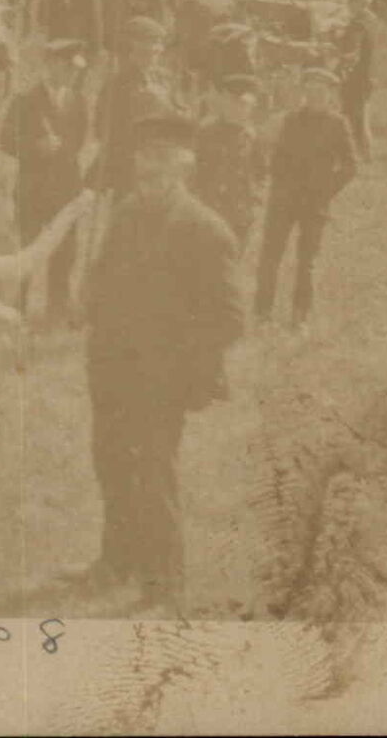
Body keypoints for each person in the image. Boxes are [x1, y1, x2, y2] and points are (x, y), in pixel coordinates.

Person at [76, 107, 245, 613]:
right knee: (109, 462)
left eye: (162, 163)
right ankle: (117, 561)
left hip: (160, 378)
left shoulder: (206, 230)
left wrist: (175, 359)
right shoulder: (126, 211)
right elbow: (105, 273)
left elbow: (230, 319)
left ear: (184, 169)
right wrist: (88, 300)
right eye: (143, 161)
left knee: (153, 471)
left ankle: (165, 578)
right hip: (109, 366)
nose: (148, 172)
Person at [254, 67, 358, 328]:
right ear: (303, 93)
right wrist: (275, 176)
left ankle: (300, 317)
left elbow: (350, 165)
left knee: (307, 261)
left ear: (331, 95)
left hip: (314, 203)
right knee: (270, 257)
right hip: (283, 198)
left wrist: (326, 189)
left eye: (321, 92)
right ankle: (261, 314)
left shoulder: (338, 124)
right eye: (310, 91)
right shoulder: (287, 119)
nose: (315, 97)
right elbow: (266, 151)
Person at [4, 40, 91, 322]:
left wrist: (62, 151)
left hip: (65, 187)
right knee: (27, 249)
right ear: (52, 65)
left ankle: (57, 309)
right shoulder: (25, 101)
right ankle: (16, 311)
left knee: (66, 250)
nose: (72, 74)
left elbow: (79, 139)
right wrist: (35, 148)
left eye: (76, 70)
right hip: (33, 188)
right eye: (67, 67)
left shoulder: (77, 100)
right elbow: (6, 141)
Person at [94, 16, 179, 193]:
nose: (152, 59)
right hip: (129, 167)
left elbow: (178, 115)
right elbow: (102, 130)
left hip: (162, 163)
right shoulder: (117, 85)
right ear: (130, 52)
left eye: (156, 53)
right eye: (146, 53)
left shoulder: (164, 79)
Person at [193, 72, 269, 261]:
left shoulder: (253, 136)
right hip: (210, 207)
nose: (237, 109)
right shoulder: (205, 132)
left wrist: (256, 199)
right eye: (232, 103)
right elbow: (193, 168)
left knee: (232, 260)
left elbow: (262, 172)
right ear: (223, 103)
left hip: (241, 211)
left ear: (251, 108)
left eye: (243, 104)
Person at [336, 0, 378, 161]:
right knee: (361, 114)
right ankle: (364, 153)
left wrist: (339, 58)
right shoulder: (371, 20)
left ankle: (364, 154)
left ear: (356, 4)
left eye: (350, 3)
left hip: (357, 77)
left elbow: (352, 53)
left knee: (357, 117)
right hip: (369, 73)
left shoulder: (357, 25)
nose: (348, 6)